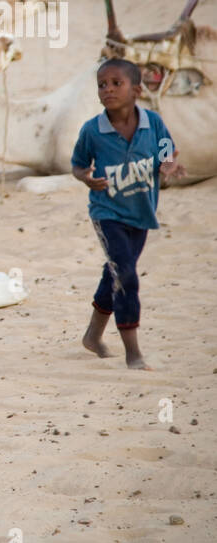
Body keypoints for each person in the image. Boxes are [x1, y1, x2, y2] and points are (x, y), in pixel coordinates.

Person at [70, 58, 186, 370]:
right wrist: (86, 177)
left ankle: (93, 336)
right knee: (126, 275)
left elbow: (167, 154)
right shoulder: (92, 131)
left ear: (136, 90)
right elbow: (78, 164)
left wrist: (170, 166)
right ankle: (133, 353)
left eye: (115, 83)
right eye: (101, 85)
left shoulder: (154, 123)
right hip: (106, 212)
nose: (107, 90)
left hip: (141, 211)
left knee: (116, 273)